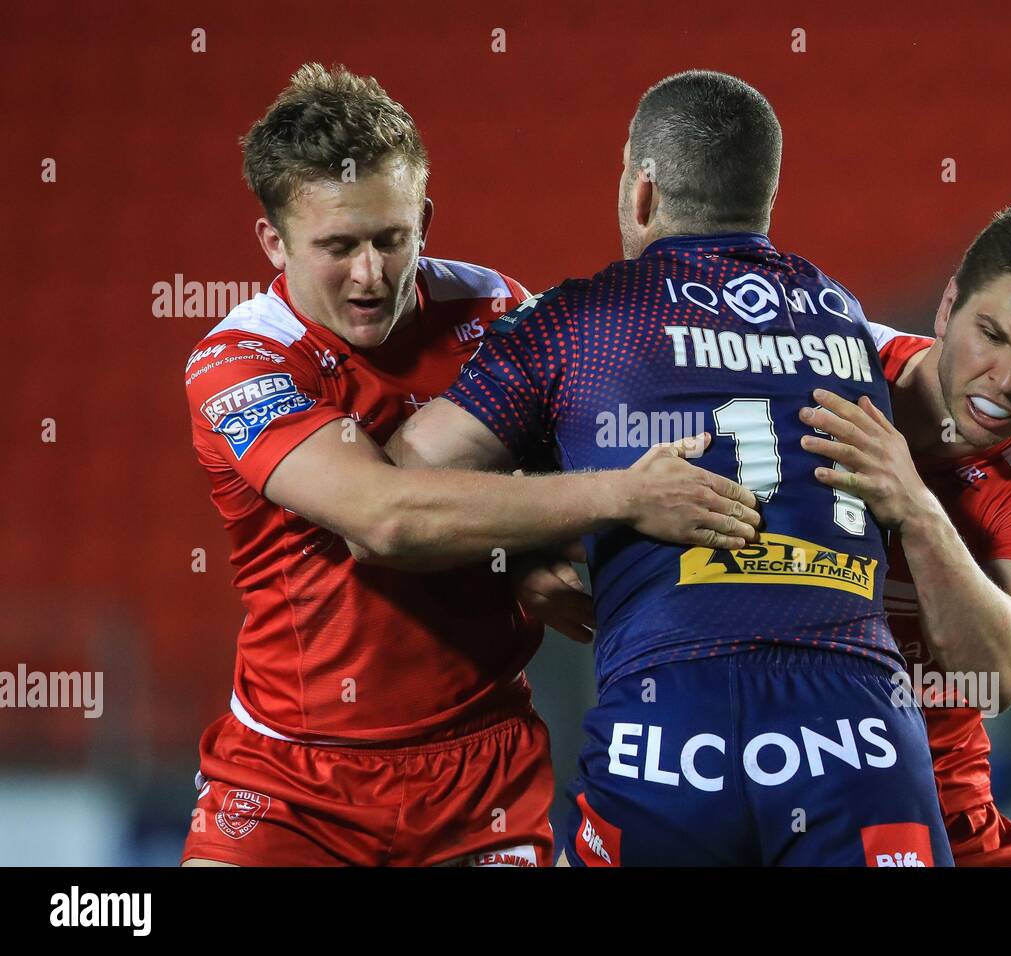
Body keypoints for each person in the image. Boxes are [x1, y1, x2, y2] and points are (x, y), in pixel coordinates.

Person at [180, 64, 758, 867]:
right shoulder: (242, 361)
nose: (370, 274)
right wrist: (624, 497)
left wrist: (537, 559)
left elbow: (558, 488)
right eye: (337, 247)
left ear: (424, 216)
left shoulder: (496, 314)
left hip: (477, 772)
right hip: (290, 779)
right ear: (273, 243)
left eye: (391, 238)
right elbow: (385, 520)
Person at [383, 70, 953, 866]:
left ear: (641, 190)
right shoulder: (845, 318)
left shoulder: (577, 320)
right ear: (764, 197)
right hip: (860, 725)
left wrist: (530, 540)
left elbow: (407, 483)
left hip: (673, 717)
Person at [804, 199, 1011, 864]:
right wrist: (546, 556)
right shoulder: (822, 362)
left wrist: (916, 509)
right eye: (992, 334)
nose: (1007, 380)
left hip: (931, 809)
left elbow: (1004, 674)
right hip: (765, 774)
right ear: (949, 302)